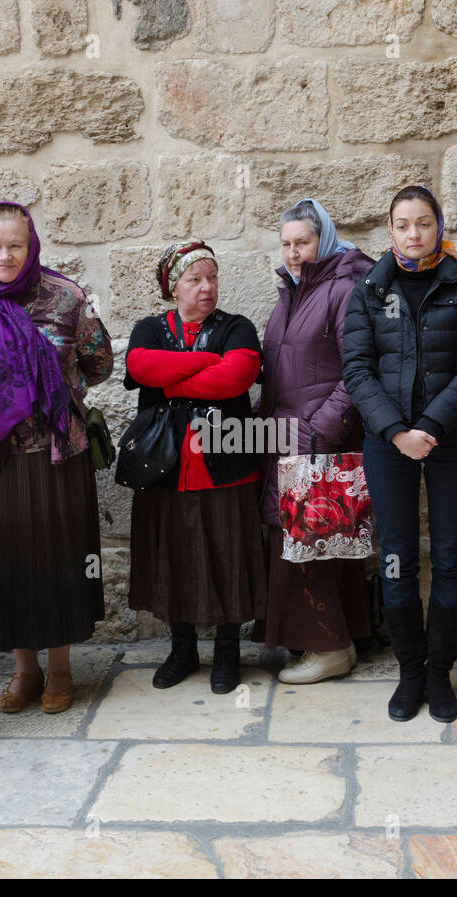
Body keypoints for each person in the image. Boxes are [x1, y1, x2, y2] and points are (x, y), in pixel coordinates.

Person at [0, 202, 113, 715]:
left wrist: (59, 388)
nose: (4, 255)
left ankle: (61, 668)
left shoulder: (65, 297)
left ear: (31, 244)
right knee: (7, 562)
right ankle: (25, 670)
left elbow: (101, 362)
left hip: (55, 455)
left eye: (14, 245)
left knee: (57, 559)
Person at [342, 186, 457, 723]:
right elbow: (357, 371)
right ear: (390, 232)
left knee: (451, 555)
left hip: (449, 440)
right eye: (403, 225)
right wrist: (397, 431)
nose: (414, 234)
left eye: (424, 224)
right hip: (388, 444)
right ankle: (410, 672)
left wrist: (429, 425)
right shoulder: (367, 290)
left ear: (439, 226)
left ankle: (439, 672)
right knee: (398, 556)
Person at [125, 242, 267, 694]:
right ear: (173, 287)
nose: (207, 288)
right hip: (163, 466)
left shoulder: (237, 327)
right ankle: (181, 649)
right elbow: (140, 366)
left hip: (226, 462)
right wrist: (206, 361)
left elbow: (236, 377)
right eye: (195, 280)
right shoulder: (148, 328)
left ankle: (227, 651)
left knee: (228, 552)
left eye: (212, 278)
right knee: (174, 556)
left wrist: (173, 379)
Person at [257, 198, 375, 683]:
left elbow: (358, 369)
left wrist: (318, 428)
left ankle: (329, 649)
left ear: (322, 239)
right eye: (286, 244)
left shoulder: (344, 287)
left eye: (302, 242)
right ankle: (334, 641)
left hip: (317, 440)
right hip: (286, 439)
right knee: (311, 545)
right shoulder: (295, 289)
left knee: (311, 546)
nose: (293, 252)